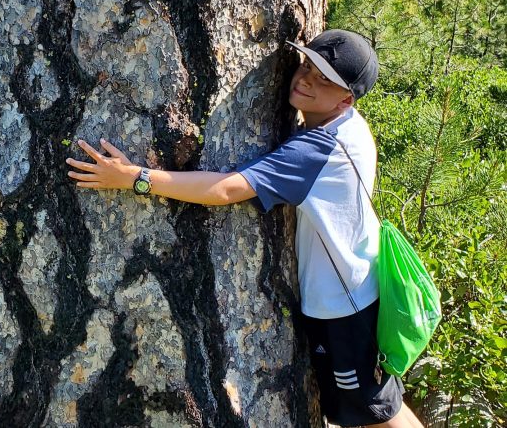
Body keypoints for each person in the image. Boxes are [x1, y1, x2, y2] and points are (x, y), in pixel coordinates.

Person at [64, 29, 424, 427]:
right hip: (358, 291)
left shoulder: (316, 150)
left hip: (344, 309)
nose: (306, 79)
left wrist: (135, 178)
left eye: (324, 79)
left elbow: (224, 189)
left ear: (346, 98)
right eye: (307, 65)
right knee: (379, 405)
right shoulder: (349, 127)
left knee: (376, 415)